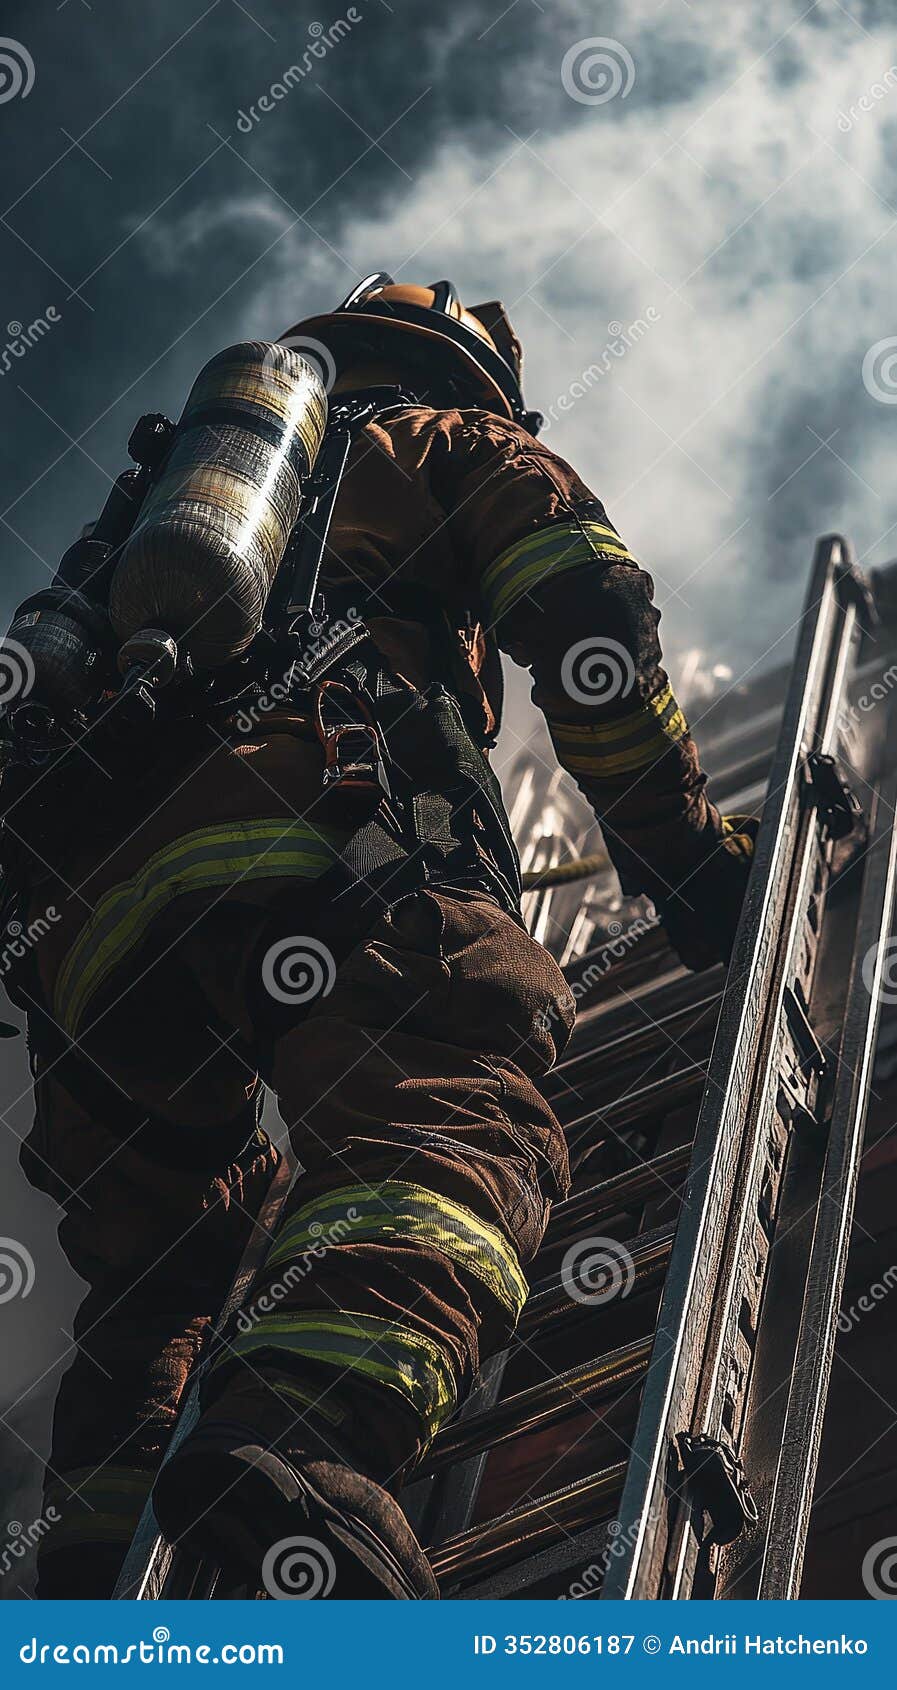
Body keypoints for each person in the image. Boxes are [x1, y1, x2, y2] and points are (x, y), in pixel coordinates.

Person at [7, 275, 754, 1598]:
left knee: (158, 1281)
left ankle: (84, 1582)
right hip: (320, 830)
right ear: (479, 379)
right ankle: (311, 1451)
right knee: (454, 1115)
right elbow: (584, 616)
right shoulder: (448, 443)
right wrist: (682, 854)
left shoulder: (168, 506)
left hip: (90, 936)